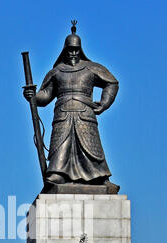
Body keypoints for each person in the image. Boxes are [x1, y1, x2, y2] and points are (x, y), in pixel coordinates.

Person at [23, 22, 119, 189]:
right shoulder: (57, 71)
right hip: (63, 115)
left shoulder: (91, 68)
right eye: (70, 50)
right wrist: (32, 96)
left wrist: (104, 104)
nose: (73, 53)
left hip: (85, 115)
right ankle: (58, 174)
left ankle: (99, 177)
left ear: (80, 50)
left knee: (91, 148)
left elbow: (112, 83)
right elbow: (45, 96)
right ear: (64, 50)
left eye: (76, 49)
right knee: (61, 146)